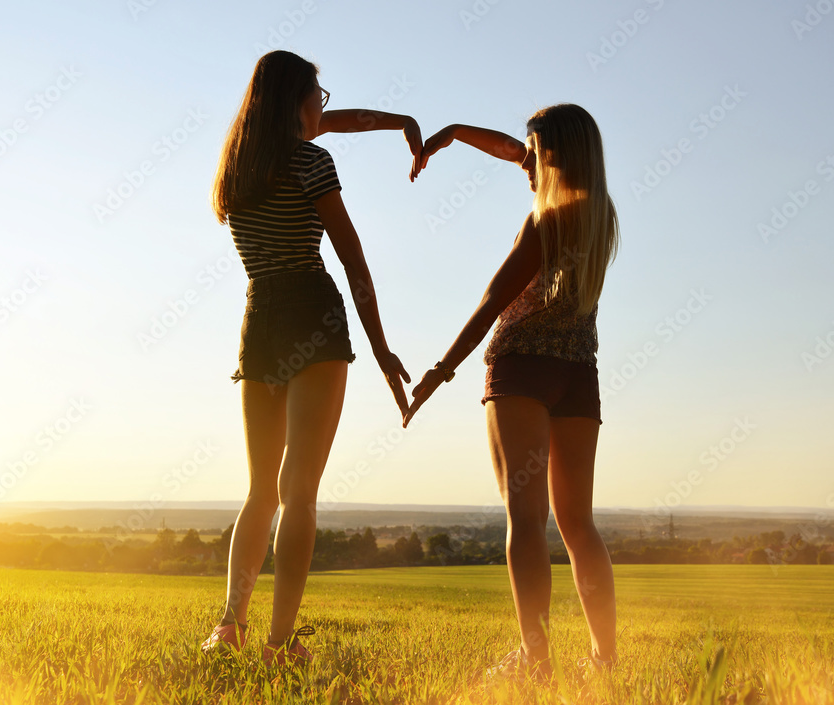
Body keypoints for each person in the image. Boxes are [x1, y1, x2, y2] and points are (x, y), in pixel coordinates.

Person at [201, 49, 420, 666]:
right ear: (297, 100)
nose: (324, 109)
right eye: (317, 97)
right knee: (299, 492)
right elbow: (352, 259)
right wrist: (379, 349)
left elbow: (338, 120)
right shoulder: (310, 162)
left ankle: (229, 627)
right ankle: (277, 644)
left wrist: (396, 120)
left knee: (260, 493)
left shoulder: (237, 169)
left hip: (259, 315)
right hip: (313, 313)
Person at [405, 104, 620, 678]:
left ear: (552, 158)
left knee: (526, 522)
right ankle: (605, 659)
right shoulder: (601, 215)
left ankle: (536, 658)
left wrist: (437, 372)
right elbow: (509, 149)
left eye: (534, 155)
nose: (523, 163)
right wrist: (452, 134)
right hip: (579, 375)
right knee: (579, 525)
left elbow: (489, 305)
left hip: (522, 369)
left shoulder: (543, 222)